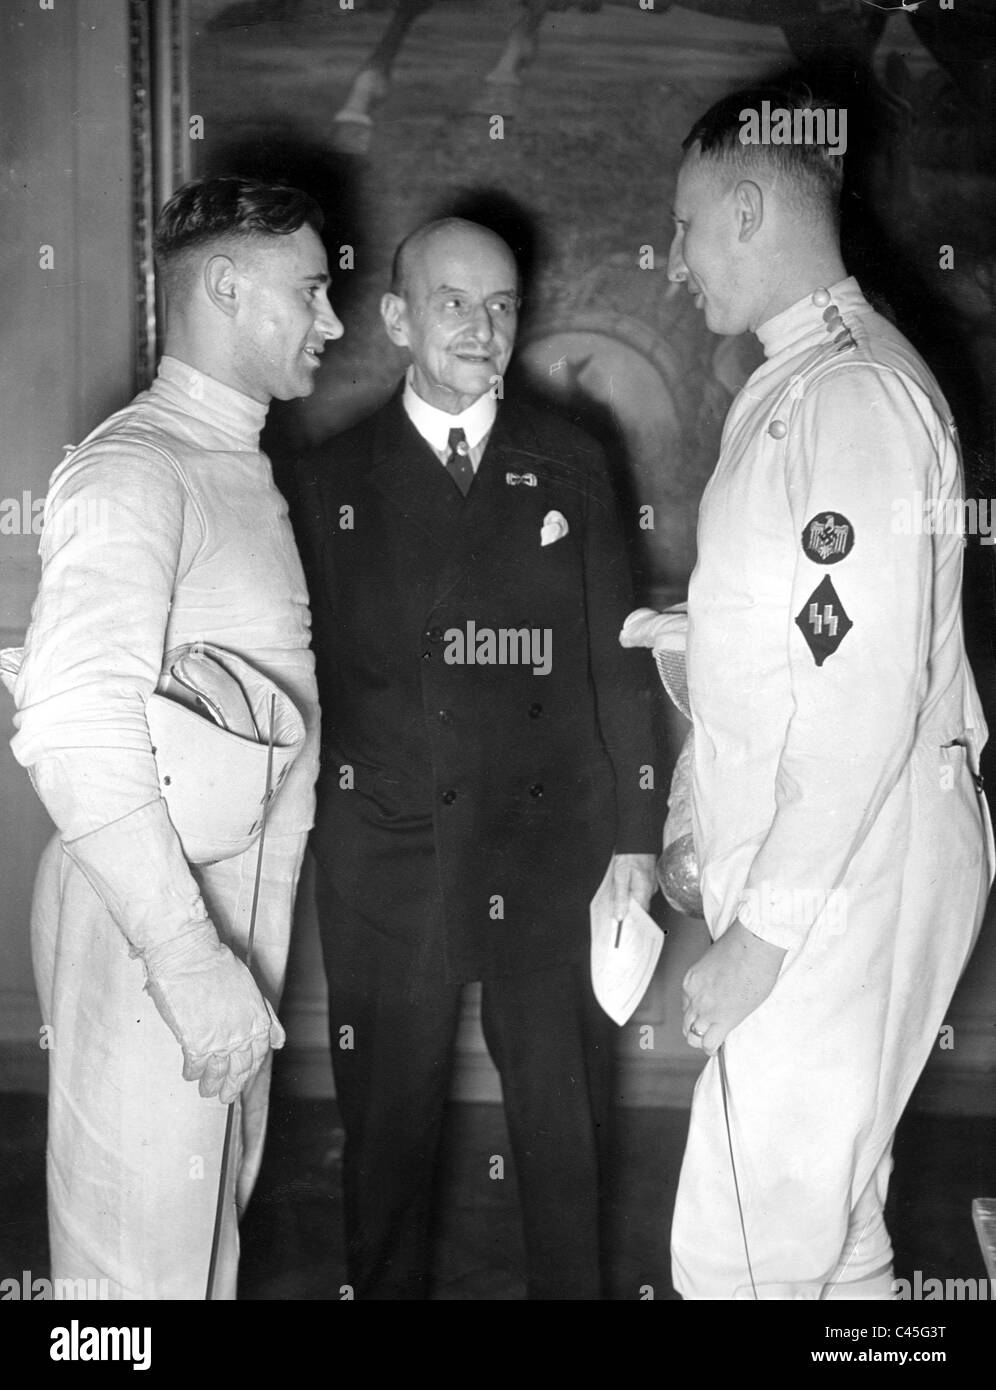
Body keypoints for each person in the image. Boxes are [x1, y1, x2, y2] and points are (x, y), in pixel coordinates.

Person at [640, 86, 994, 1300]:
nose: (676, 260)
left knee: (742, 1253)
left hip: (851, 879)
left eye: (685, 225)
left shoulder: (848, 397)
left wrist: (761, 938)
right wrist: (703, 812)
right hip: (836, 866)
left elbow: (856, 707)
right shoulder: (798, 382)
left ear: (747, 207)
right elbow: (788, 646)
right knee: (827, 1230)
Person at [291, 217, 659, 1299]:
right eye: (454, 302)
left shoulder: (572, 459)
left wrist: (635, 837)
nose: (482, 327)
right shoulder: (330, 477)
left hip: (549, 853)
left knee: (564, 1139)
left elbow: (618, 662)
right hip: (390, 859)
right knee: (388, 1143)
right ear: (400, 317)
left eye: (501, 306)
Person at [4, 175, 343, 1298]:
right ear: (228, 289)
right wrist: (186, 956)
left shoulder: (229, 457)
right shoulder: (135, 469)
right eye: (311, 291)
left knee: (198, 1253)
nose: (331, 321)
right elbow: (67, 722)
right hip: (150, 921)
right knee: (130, 1281)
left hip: (219, 921)